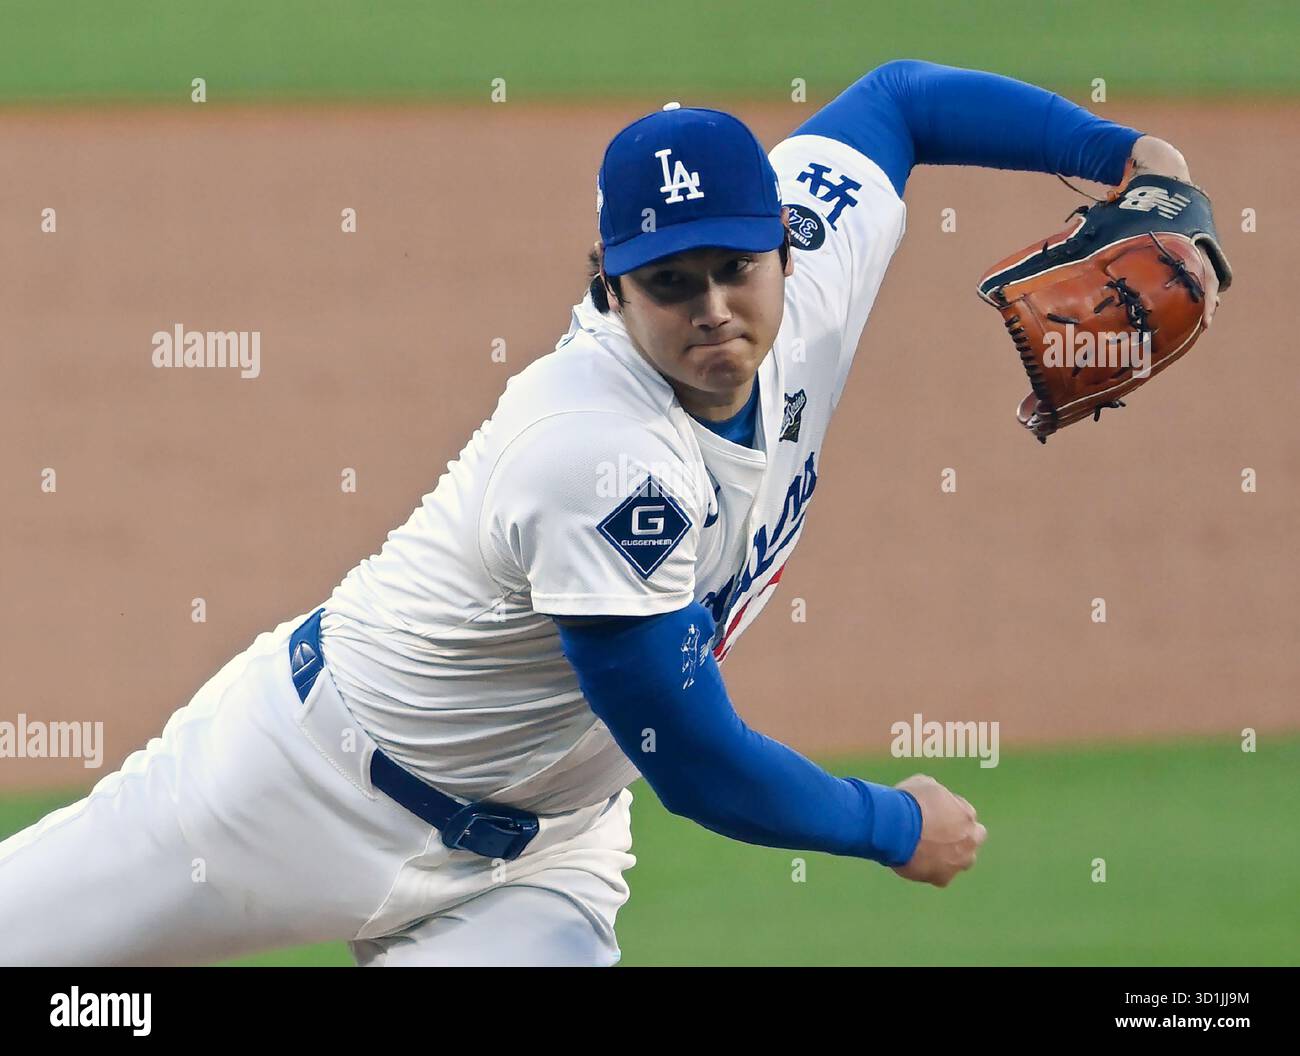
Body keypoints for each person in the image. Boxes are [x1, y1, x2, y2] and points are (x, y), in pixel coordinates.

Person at [0, 59, 1217, 967]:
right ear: (610, 287)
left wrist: (1131, 155)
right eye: (668, 283)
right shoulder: (591, 453)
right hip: (291, 790)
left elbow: (901, 100)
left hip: (537, 865)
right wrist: (893, 825)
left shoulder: (814, 260)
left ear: (787, 248)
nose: (712, 307)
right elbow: (693, 761)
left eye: (734, 267)